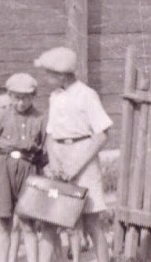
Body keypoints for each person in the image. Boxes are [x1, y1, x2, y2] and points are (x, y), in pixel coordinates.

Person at [35, 47, 110, 262]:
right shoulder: (55, 96)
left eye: (49, 74)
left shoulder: (86, 95)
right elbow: (50, 134)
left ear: (61, 75)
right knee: (50, 218)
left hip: (83, 160)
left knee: (91, 221)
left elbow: (102, 134)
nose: (46, 78)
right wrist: (55, 163)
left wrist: (76, 166)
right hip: (59, 159)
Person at [0, 73, 45, 262]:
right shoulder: (2, 115)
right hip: (4, 169)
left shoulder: (40, 118)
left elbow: (45, 148)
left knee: (28, 223)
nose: (21, 102)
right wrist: (3, 165)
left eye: (25, 98)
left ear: (33, 96)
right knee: (4, 222)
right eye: (17, 98)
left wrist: (33, 167)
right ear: (10, 96)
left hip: (28, 169)